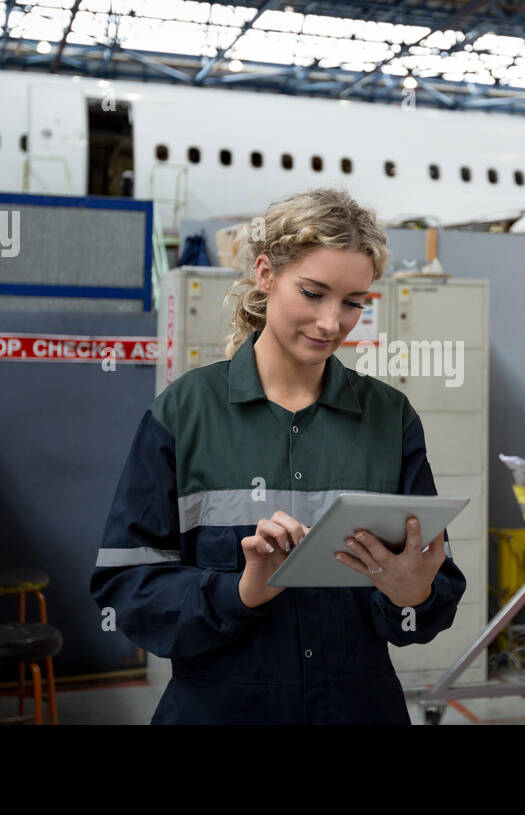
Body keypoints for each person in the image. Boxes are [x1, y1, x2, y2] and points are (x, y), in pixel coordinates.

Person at [91, 188, 467, 724]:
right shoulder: (183, 412)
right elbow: (124, 587)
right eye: (313, 293)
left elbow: (431, 589)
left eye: (353, 302)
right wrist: (240, 593)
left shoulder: (390, 418)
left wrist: (414, 595)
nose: (332, 323)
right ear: (266, 274)